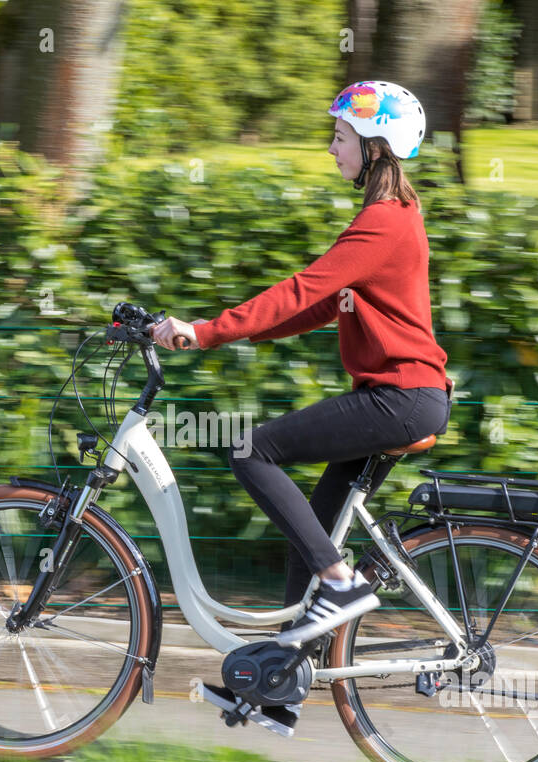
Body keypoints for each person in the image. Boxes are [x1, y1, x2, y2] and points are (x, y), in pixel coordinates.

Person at [151, 79, 450, 653]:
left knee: (251, 451)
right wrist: (219, 336)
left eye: (340, 137)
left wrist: (208, 331)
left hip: (400, 397)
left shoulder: (384, 221)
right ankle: (282, 679)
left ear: (376, 147)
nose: (331, 148)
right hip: (403, 395)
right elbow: (318, 306)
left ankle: (341, 585)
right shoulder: (394, 216)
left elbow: (300, 289)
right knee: (309, 532)